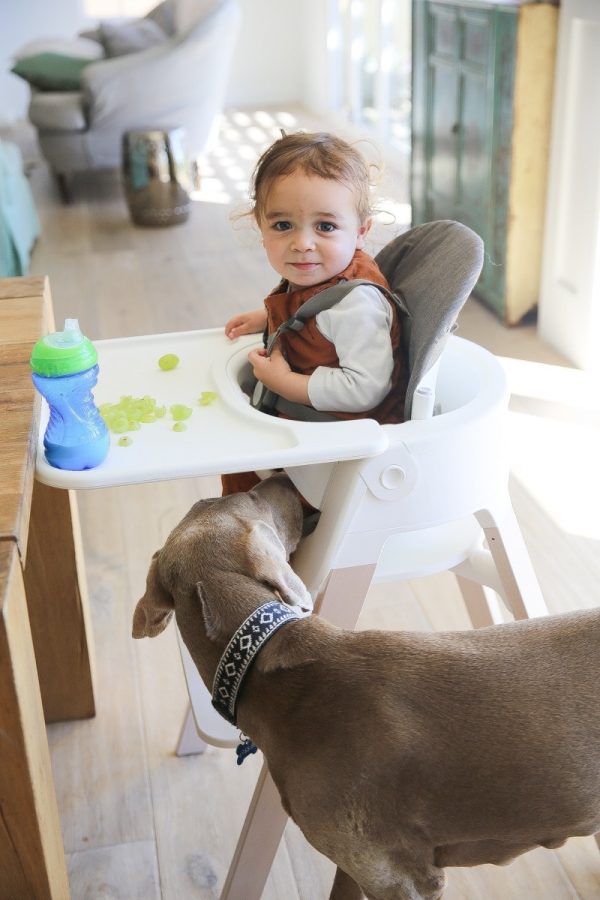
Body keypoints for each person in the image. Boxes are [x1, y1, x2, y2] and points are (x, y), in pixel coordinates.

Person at [222, 131, 408, 497]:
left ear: (360, 232)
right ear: (261, 228)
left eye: (325, 227)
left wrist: (285, 383)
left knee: (240, 488)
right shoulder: (321, 270)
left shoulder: (356, 305)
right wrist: (265, 317)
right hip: (307, 429)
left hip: (336, 457)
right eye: (282, 225)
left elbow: (366, 388)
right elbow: (310, 311)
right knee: (232, 461)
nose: (302, 243)